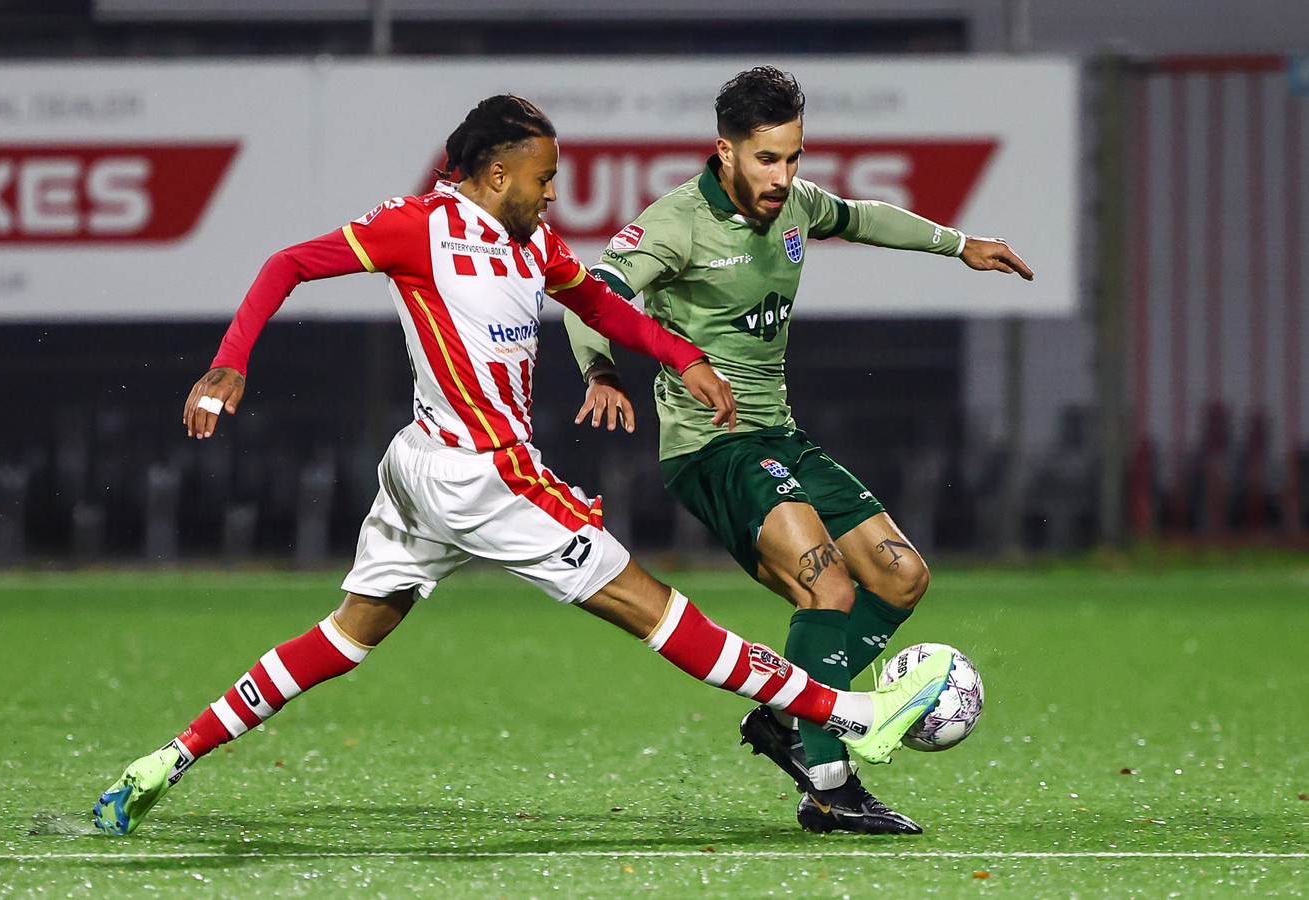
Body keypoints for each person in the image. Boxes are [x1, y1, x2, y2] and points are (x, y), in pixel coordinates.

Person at [92, 95, 955, 837]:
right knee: (656, 610)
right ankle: (851, 714)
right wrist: (230, 360)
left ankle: (169, 758)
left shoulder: (532, 242)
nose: (554, 194)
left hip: (421, 467)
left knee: (347, 635)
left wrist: (682, 358)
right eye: (544, 179)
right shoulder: (416, 227)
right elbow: (288, 263)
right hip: (486, 477)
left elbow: (598, 301)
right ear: (496, 174)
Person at [564, 67, 1033, 835]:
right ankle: (826, 781)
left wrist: (960, 246)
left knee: (902, 575)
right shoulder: (676, 223)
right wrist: (602, 368)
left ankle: (787, 714)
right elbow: (592, 290)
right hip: (711, 448)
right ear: (725, 153)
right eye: (767, 159)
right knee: (830, 588)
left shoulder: (797, 205)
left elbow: (865, 216)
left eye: (793, 157)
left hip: (780, 435)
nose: (784, 178)